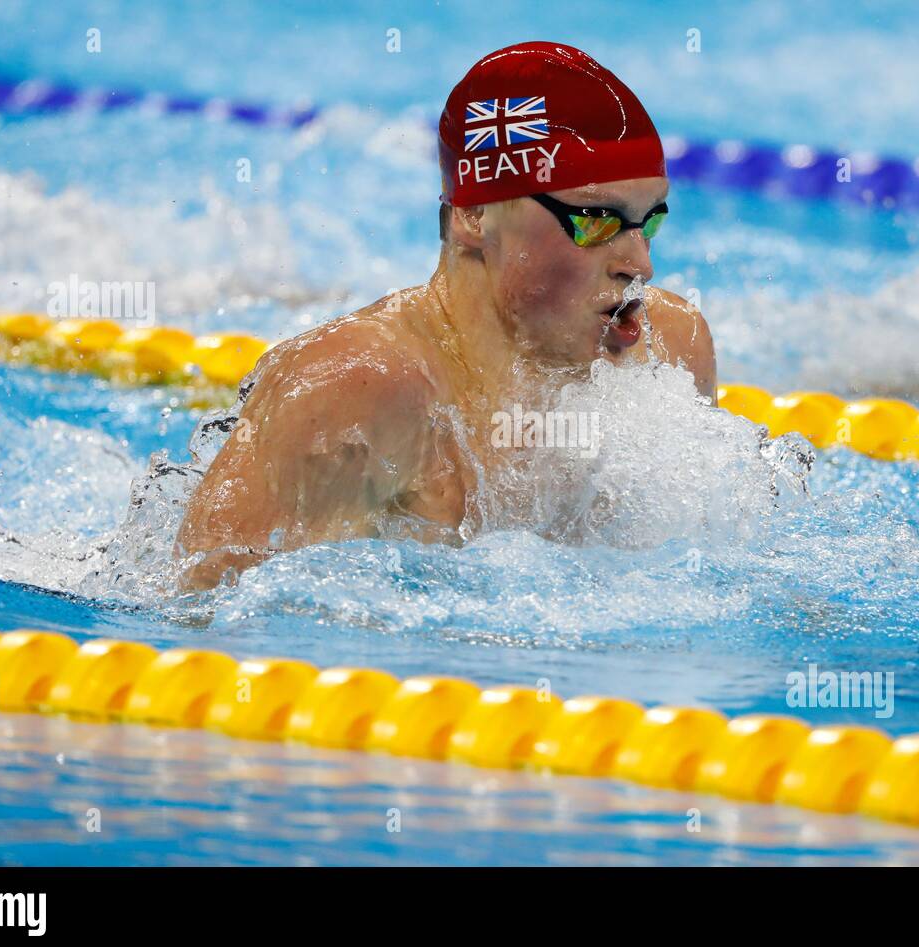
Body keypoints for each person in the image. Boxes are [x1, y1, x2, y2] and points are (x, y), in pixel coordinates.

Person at [175, 41, 716, 591]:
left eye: (649, 221)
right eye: (596, 219)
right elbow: (200, 611)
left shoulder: (673, 347)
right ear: (476, 214)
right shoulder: (356, 389)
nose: (640, 264)